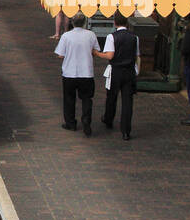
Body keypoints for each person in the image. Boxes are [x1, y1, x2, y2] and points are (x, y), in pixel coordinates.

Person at [95, 12, 139, 140]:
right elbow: (137, 55)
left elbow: (109, 55)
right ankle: (126, 130)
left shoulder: (111, 37)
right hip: (129, 71)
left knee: (111, 97)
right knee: (127, 101)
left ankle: (109, 118)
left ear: (115, 23)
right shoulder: (134, 37)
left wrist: (97, 54)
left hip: (116, 71)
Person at [54, 13, 100, 135]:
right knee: (86, 98)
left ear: (72, 23)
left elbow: (60, 54)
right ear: (84, 22)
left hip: (70, 72)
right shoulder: (91, 35)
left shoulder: (66, 36)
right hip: (86, 72)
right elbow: (95, 51)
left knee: (69, 99)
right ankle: (86, 119)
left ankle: (70, 123)